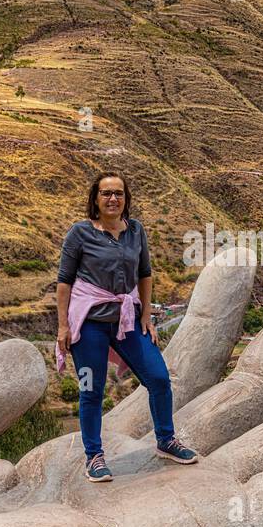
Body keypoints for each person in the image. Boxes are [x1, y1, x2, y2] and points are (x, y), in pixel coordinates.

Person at [55, 171, 199, 481]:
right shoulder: (79, 233)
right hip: (90, 323)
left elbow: (145, 275)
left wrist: (146, 315)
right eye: (106, 193)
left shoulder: (135, 231)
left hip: (128, 319)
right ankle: (94, 457)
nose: (112, 198)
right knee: (91, 390)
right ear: (96, 199)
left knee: (159, 378)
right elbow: (64, 282)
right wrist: (63, 327)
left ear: (126, 199)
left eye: (118, 193)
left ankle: (166, 439)